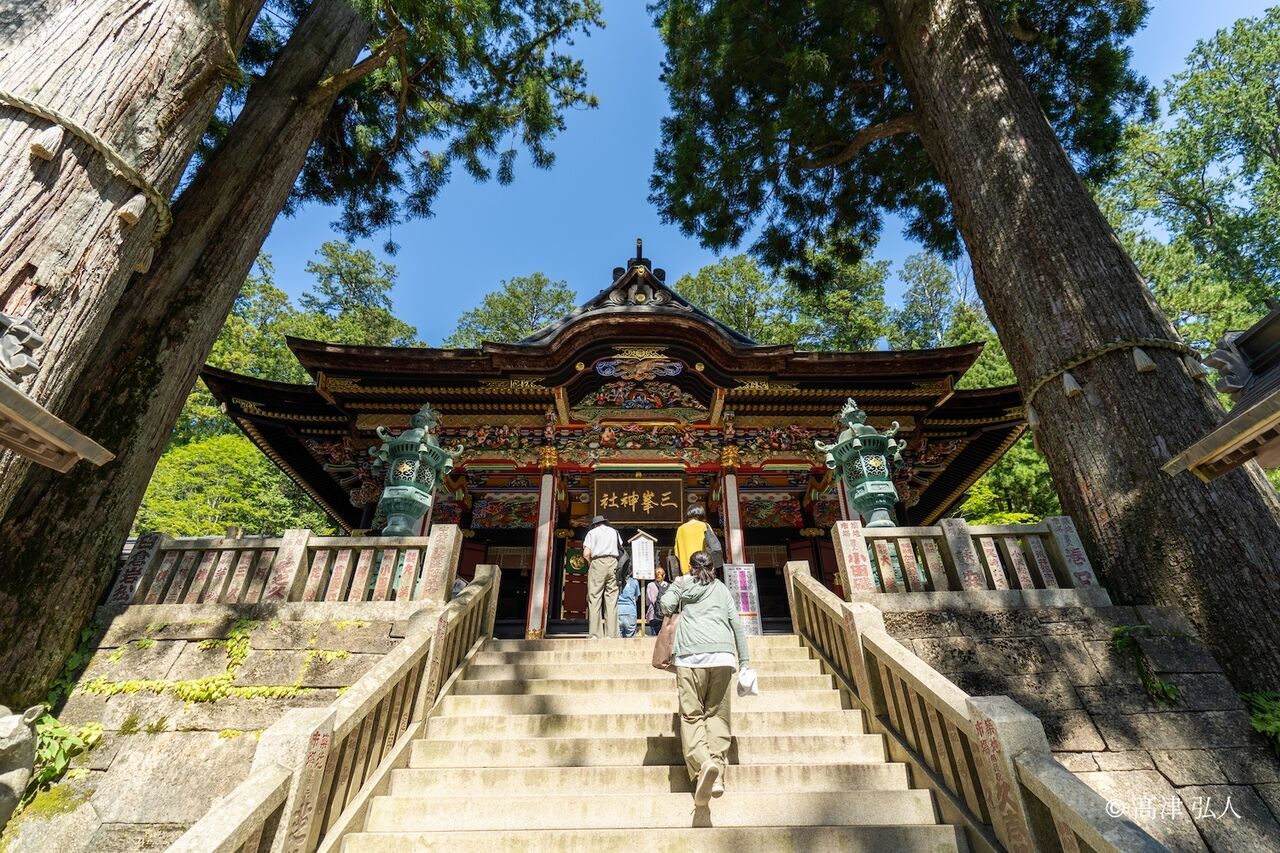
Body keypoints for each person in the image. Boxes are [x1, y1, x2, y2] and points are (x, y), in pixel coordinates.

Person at [659, 550, 750, 807]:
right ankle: (717, 775)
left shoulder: (684, 584)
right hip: (722, 656)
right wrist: (744, 661)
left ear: (690, 567)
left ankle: (703, 763)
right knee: (718, 715)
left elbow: (665, 606)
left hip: (690, 657)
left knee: (692, 715)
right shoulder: (721, 588)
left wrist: (677, 584)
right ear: (712, 566)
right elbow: (736, 624)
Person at [581, 514, 621, 638]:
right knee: (612, 598)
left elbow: (586, 553)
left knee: (594, 597)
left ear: (594, 525)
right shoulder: (614, 532)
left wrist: (591, 562)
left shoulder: (592, 533)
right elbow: (620, 546)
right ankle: (611, 634)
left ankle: (595, 634)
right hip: (613, 562)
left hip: (598, 562)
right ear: (605, 523)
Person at [673, 505, 711, 575]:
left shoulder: (681, 529)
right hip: (704, 569)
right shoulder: (704, 526)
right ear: (701, 513)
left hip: (687, 571)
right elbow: (712, 546)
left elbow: (676, 552)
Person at [644, 565, 670, 636]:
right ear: (664, 575)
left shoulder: (650, 585)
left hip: (653, 614)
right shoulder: (669, 586)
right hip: (665, 615)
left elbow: (647, 602)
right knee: (664, 637)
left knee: (654, 638)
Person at [616, 565, 641, 638]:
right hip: (631, 611)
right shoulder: (635, 582)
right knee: (630, 637)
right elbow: (636, 597)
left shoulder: (616, 582)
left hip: (618, 610)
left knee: (618, 637)